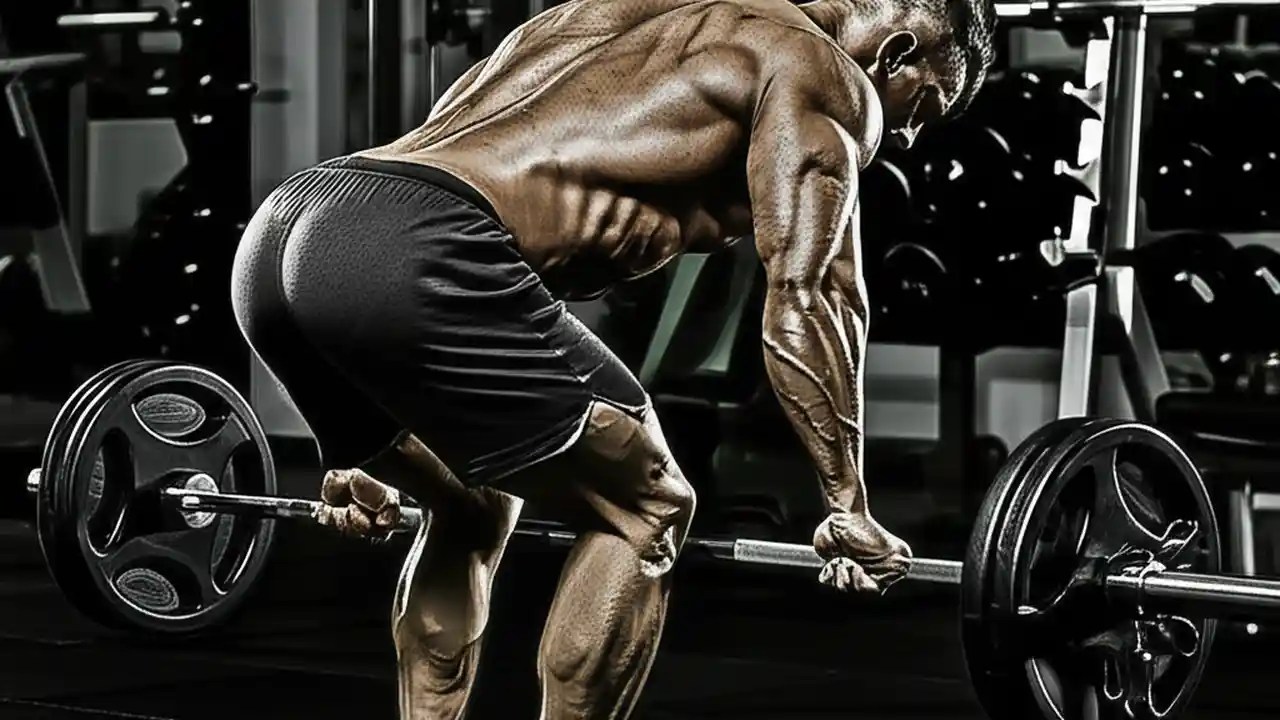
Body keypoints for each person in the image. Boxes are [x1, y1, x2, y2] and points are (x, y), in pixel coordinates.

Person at [230, 0, 997, 717]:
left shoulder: (613, 17)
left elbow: (441, 178)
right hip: (421, 253)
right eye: (924, 107)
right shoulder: (822, 75)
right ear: (898, 49)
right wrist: (847, 505)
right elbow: (816, 293)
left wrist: (391, 414)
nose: (907, 138)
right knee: (650, 506)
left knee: (469, 502)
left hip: (295, 224)